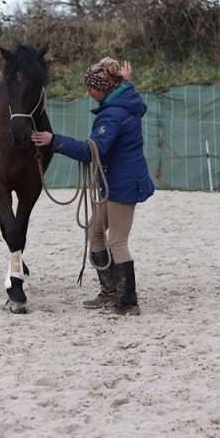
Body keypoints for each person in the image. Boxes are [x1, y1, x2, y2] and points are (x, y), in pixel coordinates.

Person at [31, 57, 155, 315]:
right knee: (94, 230)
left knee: (117, 241)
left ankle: (128, 302)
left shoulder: (112, 116)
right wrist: (126, 81)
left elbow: (92, 151)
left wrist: (54, 141)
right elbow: (125, 91)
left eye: (91, 87)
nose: (88, 92)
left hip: (122, 184)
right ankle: (109, 291)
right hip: (114, 180)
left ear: (104, 88)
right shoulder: (123, 101)